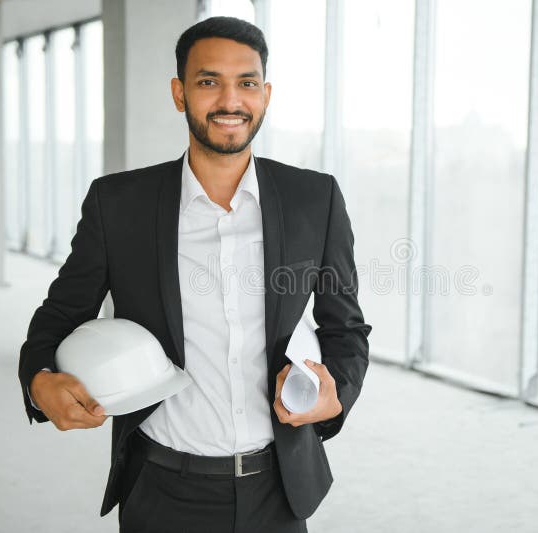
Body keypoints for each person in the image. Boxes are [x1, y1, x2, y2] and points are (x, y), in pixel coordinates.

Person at [18, 16, 371, 533]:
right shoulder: (118, 204)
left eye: (246, 83)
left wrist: (334, 392)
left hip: (278, 488)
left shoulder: (314, 200)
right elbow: (59, 316)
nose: (231, 100)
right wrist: (38, 380)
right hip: (160, 488)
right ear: (180, 93)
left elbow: (345, 328)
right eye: (209, 82)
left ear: (266, 94)